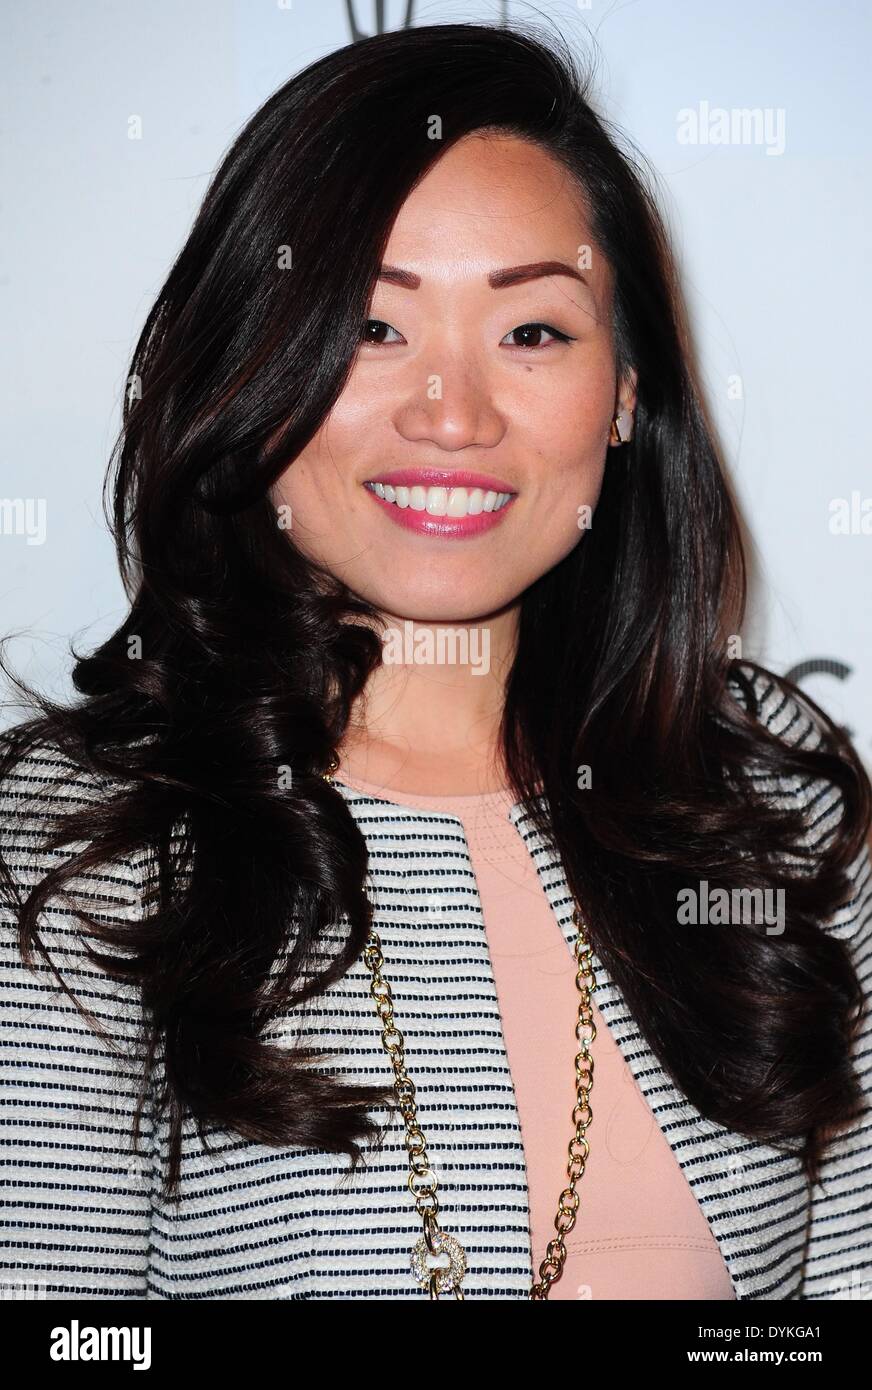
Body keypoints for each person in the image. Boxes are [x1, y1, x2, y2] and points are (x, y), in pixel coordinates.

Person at [1, 21, 870, 1302]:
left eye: (531, 333)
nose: (450, 415)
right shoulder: (76, 846)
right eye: (368, 326)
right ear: (256, 365)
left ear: (626, 392)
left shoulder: (772, 814)